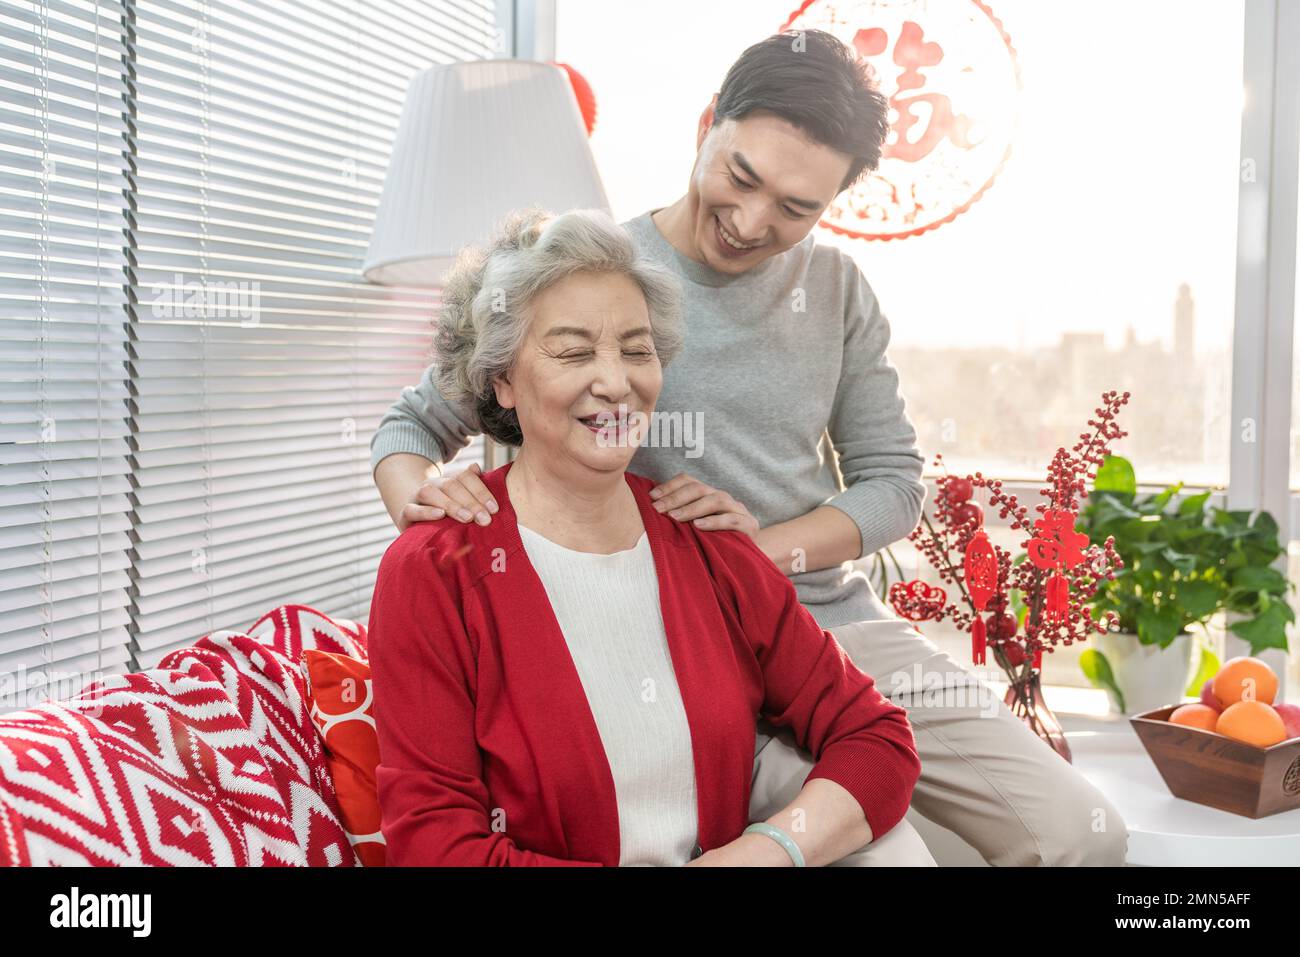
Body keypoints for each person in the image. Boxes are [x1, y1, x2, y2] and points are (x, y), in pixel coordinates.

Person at [371, 30, 1128, 866]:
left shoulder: (835, 292)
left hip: (815, 623)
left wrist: (756, 558)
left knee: (1073, 835)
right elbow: (413, 426)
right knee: (897, 845)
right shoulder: (595, 274)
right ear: (706, 127)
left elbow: (891, 484)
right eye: (741, 177)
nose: (752, 220)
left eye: (797, 208)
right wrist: (433, 515)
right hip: (654, 631)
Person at [368, 207, 928, 866]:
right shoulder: (434, 571)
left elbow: (874, 735)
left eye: (637, 350)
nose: (617, 382)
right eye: (574, 351)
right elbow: (437, 846)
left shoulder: (706, 539)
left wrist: (769, 847)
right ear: (502, 380)